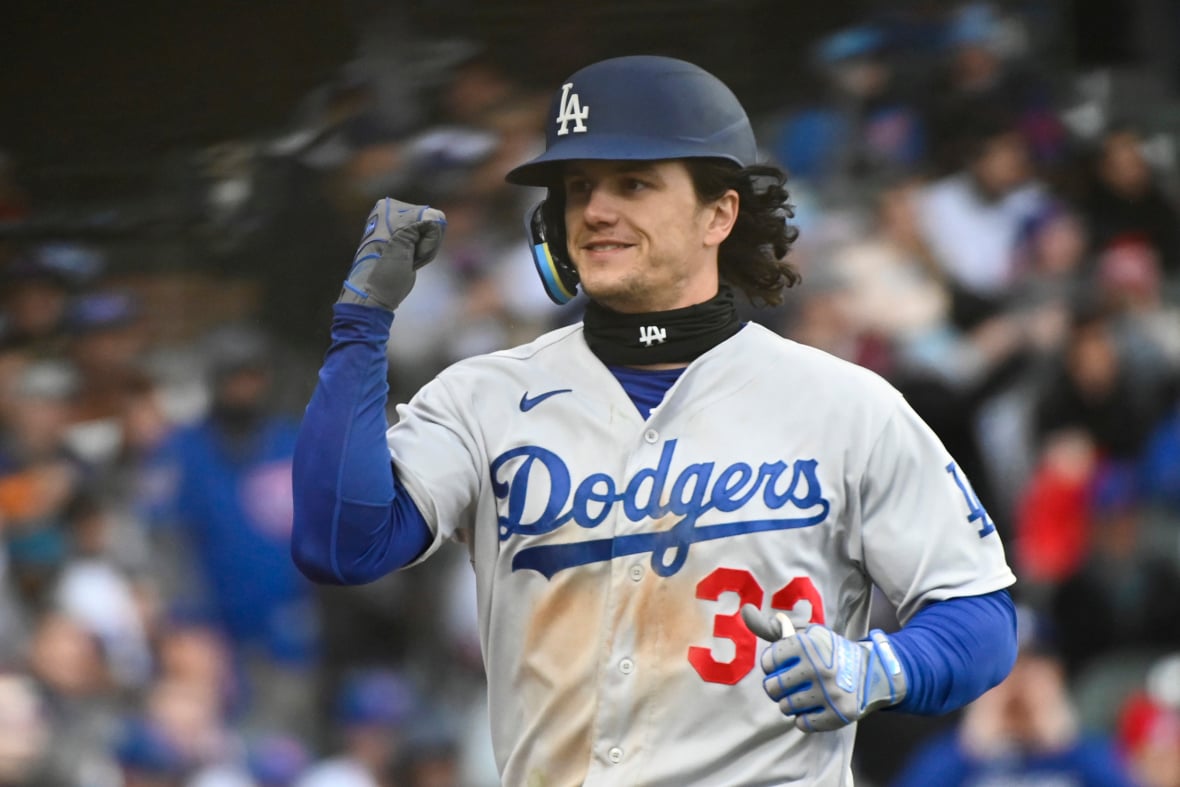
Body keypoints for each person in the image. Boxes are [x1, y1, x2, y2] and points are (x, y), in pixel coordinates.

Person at [292, 55, 1019, 786]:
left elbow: (981, 614)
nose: (596, 210)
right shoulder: (483, 397)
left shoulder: (845, 405)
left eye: (633, 183)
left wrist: (881, 666)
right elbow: (342, 545)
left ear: (719, 214)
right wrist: (361, 325)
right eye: (579, 188)